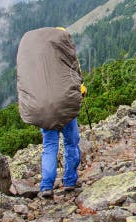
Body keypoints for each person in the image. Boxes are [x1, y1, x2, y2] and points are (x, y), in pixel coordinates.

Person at [16, 27, 87, 199]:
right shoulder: (64, 55)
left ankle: (46, 186)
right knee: (71, 142)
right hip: (65, 105)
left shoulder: (37, 60)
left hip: (43, 109)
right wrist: (80, 89)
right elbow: (74, 73)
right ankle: (70, 181)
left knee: (49, 146)